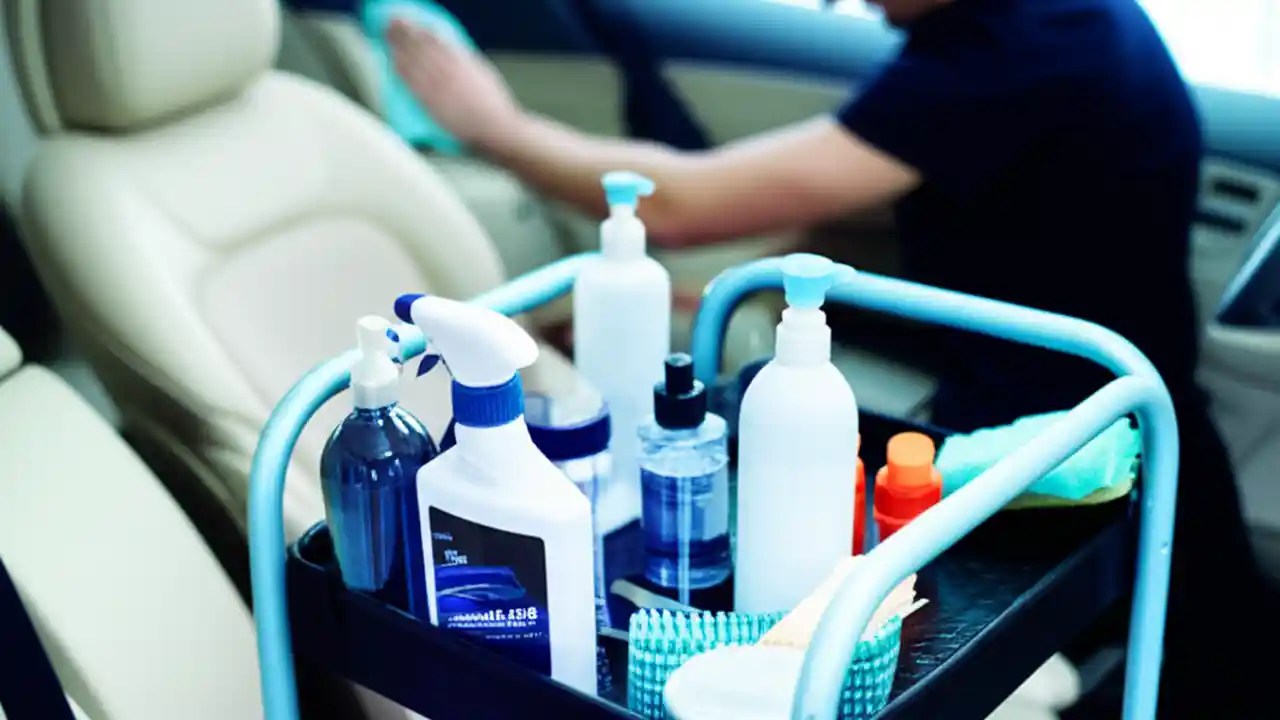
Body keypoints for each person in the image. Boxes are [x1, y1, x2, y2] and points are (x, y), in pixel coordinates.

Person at [388, 0, 1275, 715]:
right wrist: (722, 300)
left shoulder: (1012, 47)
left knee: (1197, 673)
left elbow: (685, 202)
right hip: (1093, 406)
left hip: (1063, 457)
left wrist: (493, 124)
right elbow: (920, 198)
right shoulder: (1049, 23)